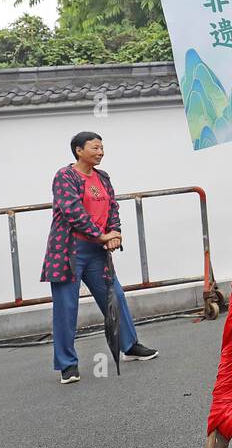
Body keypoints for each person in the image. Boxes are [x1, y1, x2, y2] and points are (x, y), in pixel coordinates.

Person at [41, 132, 157, 384]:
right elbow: (72, 211)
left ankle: (130, 346)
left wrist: (114, 233)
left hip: (97, 252)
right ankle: (67, 365)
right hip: (69, 250)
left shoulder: (102, 177)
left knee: (115, 297)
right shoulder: (65, 176)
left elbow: (112, 207)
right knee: (66, 307)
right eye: (95, 147)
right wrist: (101, 235)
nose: (101, 152)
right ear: (78, 150)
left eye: (102, 147)